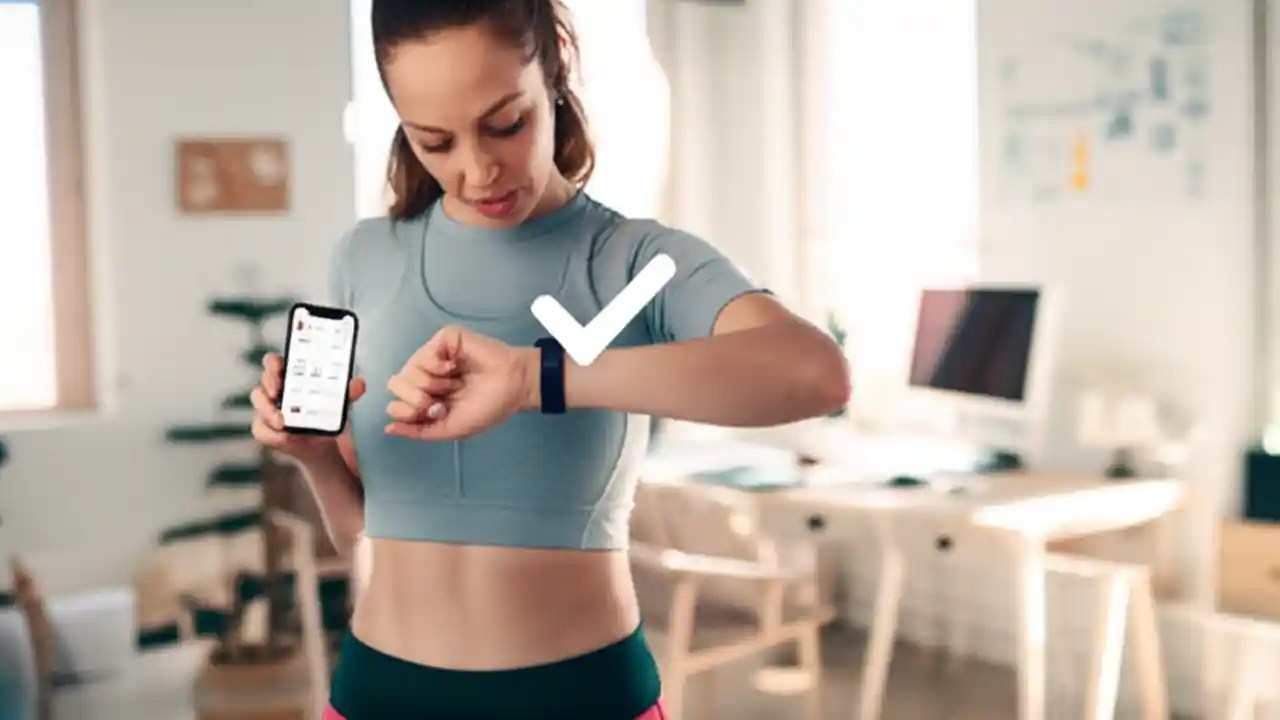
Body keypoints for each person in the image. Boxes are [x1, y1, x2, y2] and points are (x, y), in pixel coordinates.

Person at [249, 1, 850, 717]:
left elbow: (814, 373)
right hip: (378, 695)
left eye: (506, 124)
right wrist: (315, 457)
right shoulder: (364, 259)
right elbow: (369, 544)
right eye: (434, 141)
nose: (476, 171)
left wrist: (540, 378)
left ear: (555, 61)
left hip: (578, 698)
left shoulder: (634, 263)